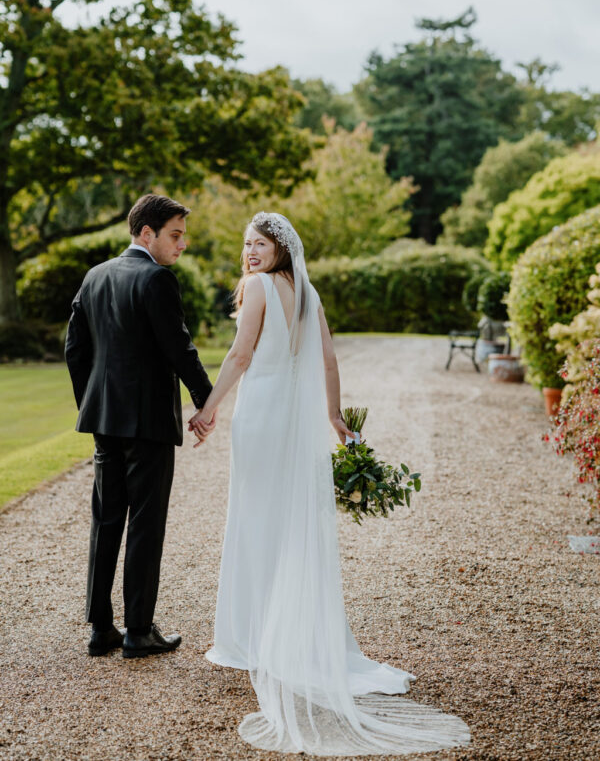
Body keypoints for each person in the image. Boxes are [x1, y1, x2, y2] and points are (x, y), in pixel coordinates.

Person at [189, 212, 471, 756]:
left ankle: (249, 637)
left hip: (263, 413)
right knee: (289, 519)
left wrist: (208, 407)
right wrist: (334, 417)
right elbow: (329, 359)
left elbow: (241, 354)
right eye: (246, 244)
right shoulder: (308, 292)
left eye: (261, 244)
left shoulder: (259, 287)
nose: (250, 252)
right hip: (293, 423)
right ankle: (288, 631)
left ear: (280, 248)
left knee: (253, 518)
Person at [65, 194, 214, 659]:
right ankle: (138, 631)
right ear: (145, 233)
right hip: (148, 424)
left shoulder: (94, 276)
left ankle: (100, 628)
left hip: (105, 423)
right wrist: (206, 400)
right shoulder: (157, 279)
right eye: (175, 235)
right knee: (145, 526)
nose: (182, 244)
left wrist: (94, 404)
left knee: (105, 521)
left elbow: (75, 351)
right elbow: (180, 350)